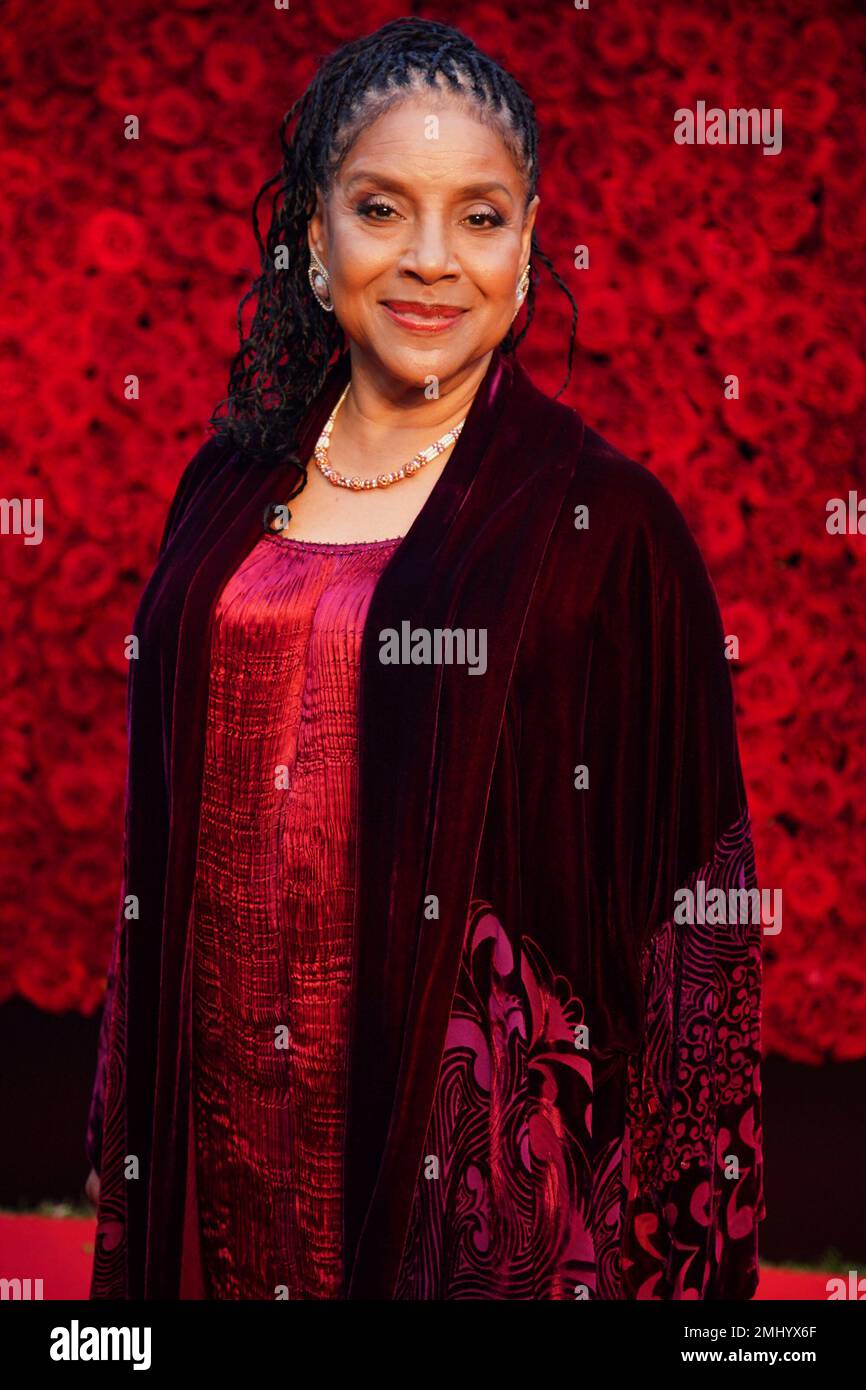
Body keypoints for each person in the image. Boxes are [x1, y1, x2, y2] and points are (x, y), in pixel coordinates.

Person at [85, 16, 765, 1300]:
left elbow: (699, 935)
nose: (431, 263)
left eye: (479, 216)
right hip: (216, 1145)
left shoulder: (603, 525)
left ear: (528, 237)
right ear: (313, 230)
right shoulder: (226, 487)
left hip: (475, 1206)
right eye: (383, 208)